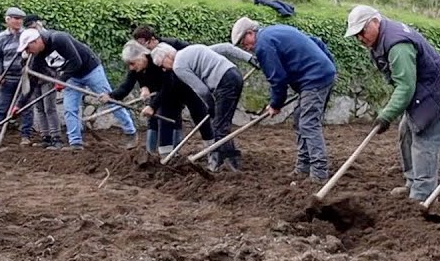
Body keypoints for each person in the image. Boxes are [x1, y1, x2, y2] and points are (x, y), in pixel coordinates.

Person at [345, 5, 440, 201]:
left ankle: (423, 193)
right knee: (405, 133)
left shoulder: (397, 44)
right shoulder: (381, 40)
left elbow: (405, 86)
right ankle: (412, 182)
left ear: (375, 22)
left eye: (362, 32)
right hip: (423, 88)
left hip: (436, 89)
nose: (360, 38)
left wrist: (386, 115)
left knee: (423, 137)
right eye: (356, 35)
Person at [230, 17, 336, 182]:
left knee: (308, 123)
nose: (247, 47)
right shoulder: (274, 32)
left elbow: (278, 79)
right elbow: (315, 41)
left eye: (244, 42)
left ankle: (319, 173)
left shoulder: (263, 45)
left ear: (251, 33)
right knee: (299, 119)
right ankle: (303, 167)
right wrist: (330, 66)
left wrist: (275, 104)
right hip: (321, 74)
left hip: (314, 79)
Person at [18, 27, 136, 150]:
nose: (28, 52)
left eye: (27, 47)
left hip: (91, 70)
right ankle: (75, 143)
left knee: (110, 100)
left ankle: (130, 132)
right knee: (69, 109)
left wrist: (61, 80)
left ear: (36, 41)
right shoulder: (38, 57)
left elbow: (76, 61)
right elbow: (32, 82)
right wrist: (19, 105)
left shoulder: (58, 38)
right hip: (72, 77)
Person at [110, 41, 212, 158]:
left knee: (199, 116)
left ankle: (213, 149)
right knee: (162, 119)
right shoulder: (137, 68)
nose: (131, 67)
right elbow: (127, 85)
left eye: (132, 63)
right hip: (164, 93)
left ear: (142, 56)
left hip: (184, 88)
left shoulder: (157, 60)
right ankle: (161, 156)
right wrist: (111, 96)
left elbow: (167, 85)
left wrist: (152, 106)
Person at [153, 42, 243, 170]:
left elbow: (202, 90)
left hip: (223, 83)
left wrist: (211, 106)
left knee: (219, 127)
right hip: (234, 74)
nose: (163, 68)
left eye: (162, 64)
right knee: (222, 125)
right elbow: (225, 48)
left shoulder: (178, 66)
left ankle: (221, 164)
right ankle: (230, 161)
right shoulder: (190, 50)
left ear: (167, 57)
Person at [0, 6, 35, 145]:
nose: (19, 22)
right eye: (16, 19)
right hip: (7, 77)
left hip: (24, 77)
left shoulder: (27, 35)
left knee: (26, 107)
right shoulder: (1, 37)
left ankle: (26, 136)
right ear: (8, 20)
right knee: (0, 107)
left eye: (21, 19)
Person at [24, 15, 63, 148]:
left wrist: (56, 77)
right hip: (35, 80)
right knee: (39, 108)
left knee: (49, 107)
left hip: (48, 78)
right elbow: (24, 62)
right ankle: (45, 136)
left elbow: (57, 62)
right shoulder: (27, 39)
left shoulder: (47, 39)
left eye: (33, 25)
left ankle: (56, 137)